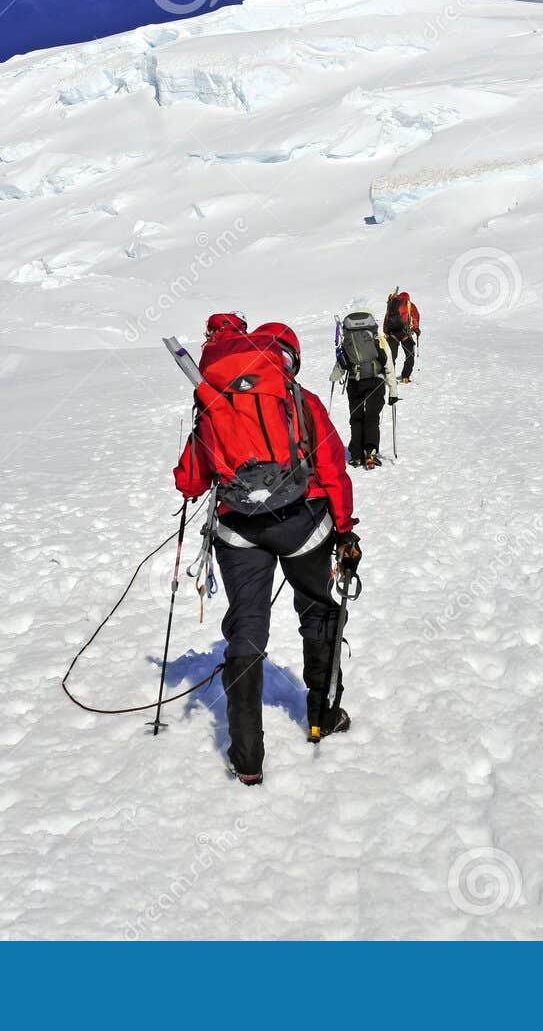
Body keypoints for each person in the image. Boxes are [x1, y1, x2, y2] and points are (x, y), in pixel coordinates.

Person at [173, 321, 362, 785]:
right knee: (319, 612)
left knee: (247, 626)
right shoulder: (300, 399)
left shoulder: (216, 402)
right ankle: (321, 718)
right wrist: (345, 531)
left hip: (238, 531)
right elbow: (334, 471)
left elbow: (189, 480)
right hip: (303, 526)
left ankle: (247, 759)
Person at [330, 308, 397, 469]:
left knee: (356, 417)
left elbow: (342, 362)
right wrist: (393, 391)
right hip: (376, 380)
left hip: (355, 381)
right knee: (372, 416)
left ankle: (356, 456)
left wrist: (333, 378)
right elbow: (388, 363)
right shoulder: (377, 338)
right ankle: (371, 451)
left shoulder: (348, 338)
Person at [383, 290, 421, 383]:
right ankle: (405, 377)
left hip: (392, 333)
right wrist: (416, 329)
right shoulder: (409, 304)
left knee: (391, 356)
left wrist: (386, 332)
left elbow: (386, 318)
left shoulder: (392, 304)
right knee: (410, 355)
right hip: (405, 333)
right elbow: (416, 316)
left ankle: (390, 377)